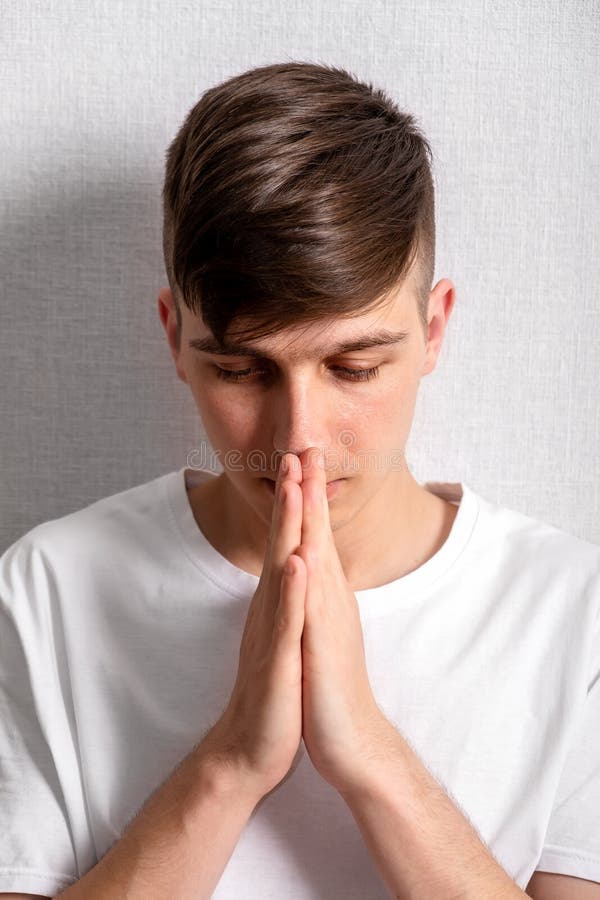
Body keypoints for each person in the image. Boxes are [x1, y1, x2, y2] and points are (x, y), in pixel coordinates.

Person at [0, 61, 598, 900]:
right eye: (243, 370)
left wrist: (370, 759)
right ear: (175, 337)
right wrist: (234, 760)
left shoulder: (572, 612)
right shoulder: (46, 591)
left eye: (354, 367)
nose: (299, 441)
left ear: (433, 330)